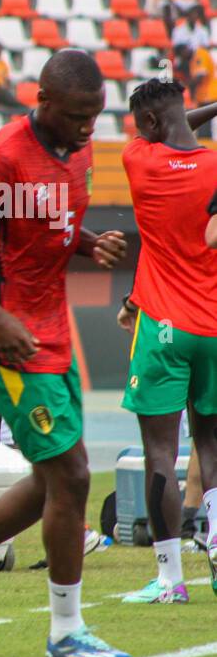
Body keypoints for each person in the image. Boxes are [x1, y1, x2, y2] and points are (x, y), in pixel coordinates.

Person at [0, 49, 133, 657]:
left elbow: (49, 224)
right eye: (77, 115)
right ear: (41, 102)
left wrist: (89, 243)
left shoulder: (79, 146)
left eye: (95, 116)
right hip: (3, 336)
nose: (88, 127)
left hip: (52, 329)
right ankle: (66, 631)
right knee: (71, 474)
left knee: (52, 480)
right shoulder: (2, 157)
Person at [117, 80, 217, 602]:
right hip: (215, 327)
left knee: (160, 451)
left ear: (149, 125)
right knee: (212, 444)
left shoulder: (140, 160)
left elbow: (167, 130)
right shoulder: (216, 166)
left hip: (164, 327)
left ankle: (168, 579)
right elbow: (182, 127)